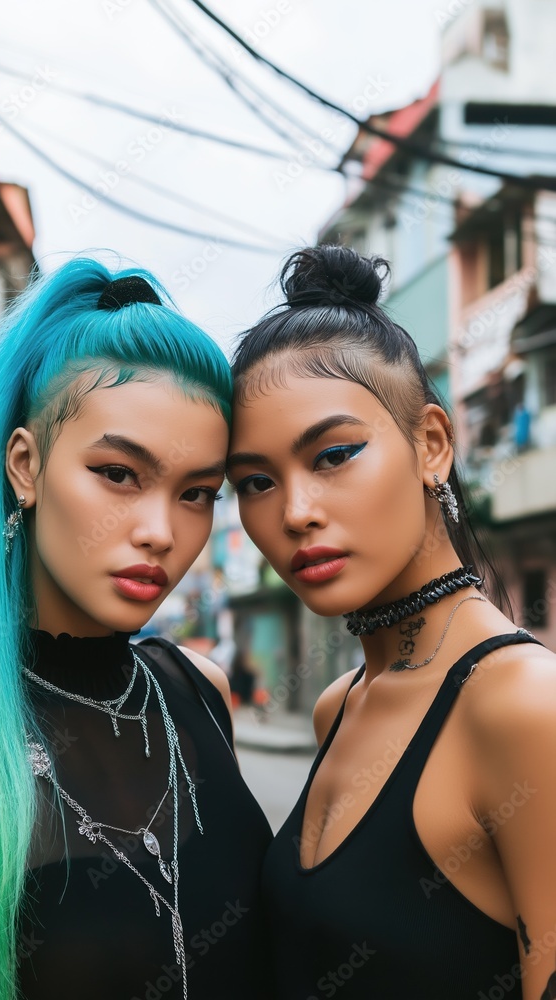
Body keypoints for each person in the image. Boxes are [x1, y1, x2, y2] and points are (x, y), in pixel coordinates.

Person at [0, 260, 272, 1000]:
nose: (161, 531)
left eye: (197, 492)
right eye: (119, 473)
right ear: (25, 466)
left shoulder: (200, 693)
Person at [226, 244, 556, 1000]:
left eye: (334, 454)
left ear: (431, 444)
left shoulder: (522, 705)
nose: (295, 511)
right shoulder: (336, 706)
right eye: (255, 481)